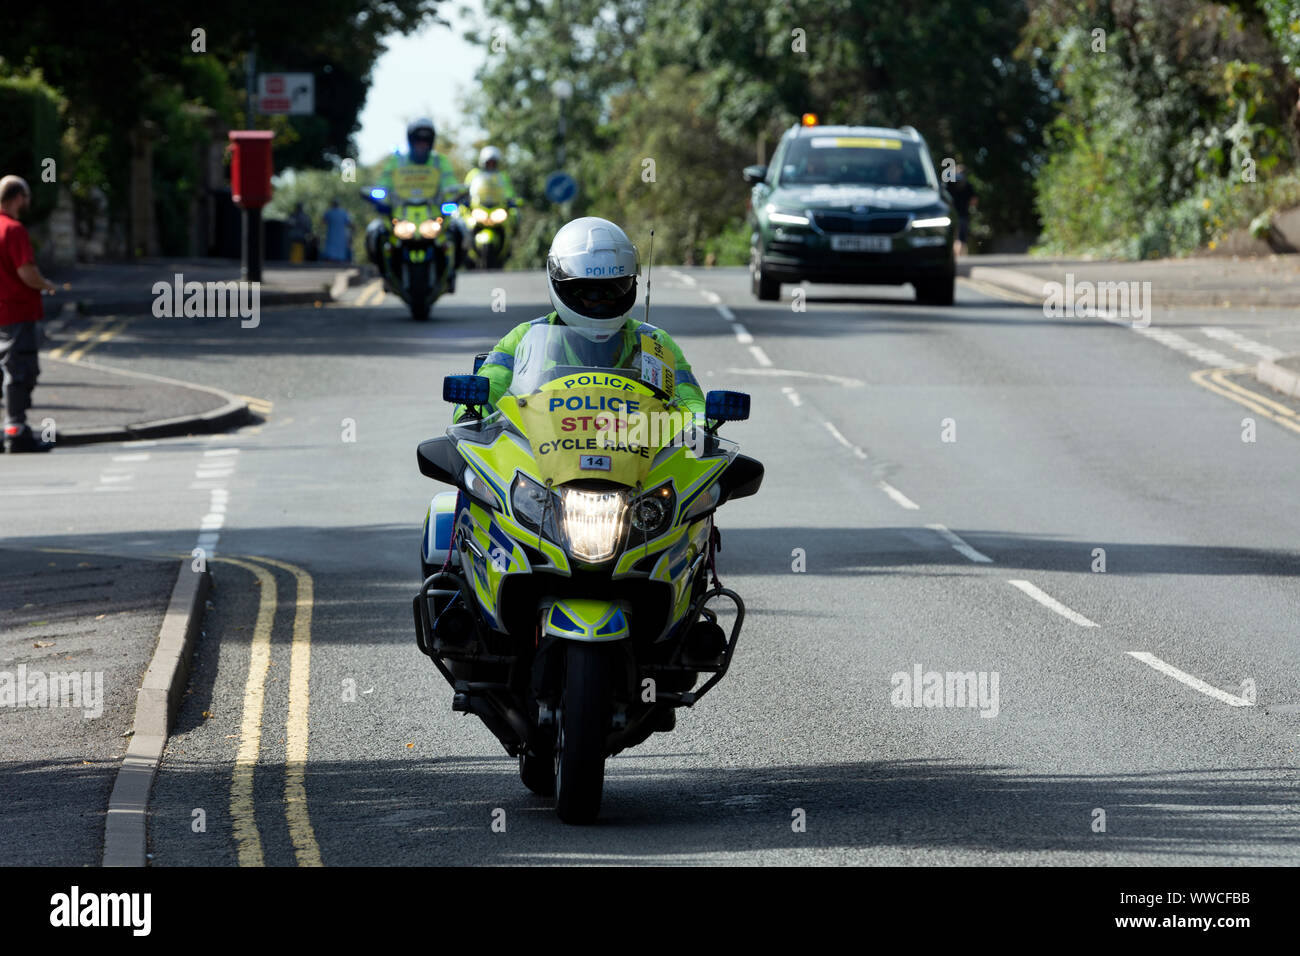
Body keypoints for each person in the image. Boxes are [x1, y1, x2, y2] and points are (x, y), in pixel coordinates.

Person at [461, 217, 704, 421]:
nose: (600, 301)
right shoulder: (523, 338)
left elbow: (688, 397)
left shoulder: (655, 342)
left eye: (614, 290)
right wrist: (469, 413)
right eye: (588, 291)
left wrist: (701, 421)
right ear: (560, 285)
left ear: (631, 285)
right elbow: (488, 384)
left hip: (639, 462)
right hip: (540, 463)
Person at [367, 117, 466, 285]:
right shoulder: (397, 162)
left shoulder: (439, 161)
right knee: (374, 232)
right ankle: (385, 275)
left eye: (426, 140)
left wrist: (457, 195)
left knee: (460, 229)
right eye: (418, 140)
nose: (422, 144)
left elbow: (450, 186)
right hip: (400, 216)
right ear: (411, 141)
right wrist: (378, 195)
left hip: (433, 216)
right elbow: (383, 184)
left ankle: (451, 274)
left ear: (431, 142)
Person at [0, 175, 56, 453]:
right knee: (19, 369)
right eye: (27, 196)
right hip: (16, 310)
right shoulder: (13, 230)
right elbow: (26, 272)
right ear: (18, 197)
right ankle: (16, 429)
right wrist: (45, 284)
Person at [948, 164, 978, 256]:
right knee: (962, 238)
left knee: (954, 237)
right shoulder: (968, 185)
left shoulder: (950, 184)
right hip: (963, 213)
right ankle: (961, 256)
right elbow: (974, 201)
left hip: (952, 214)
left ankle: (956, 256)